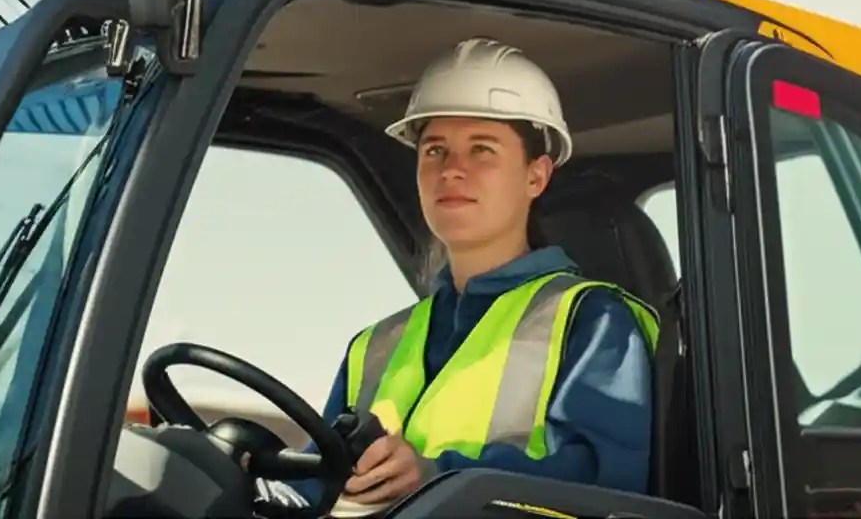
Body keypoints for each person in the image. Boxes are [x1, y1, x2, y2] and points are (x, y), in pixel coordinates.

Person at [260, 37, 659, 512]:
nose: (452, 170)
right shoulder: (376, 346)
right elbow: (315, 484)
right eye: (434, 151)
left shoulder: (592, 323)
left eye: (482, 150)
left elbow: (602, 488)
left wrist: (435, 478)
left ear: (536, 176)